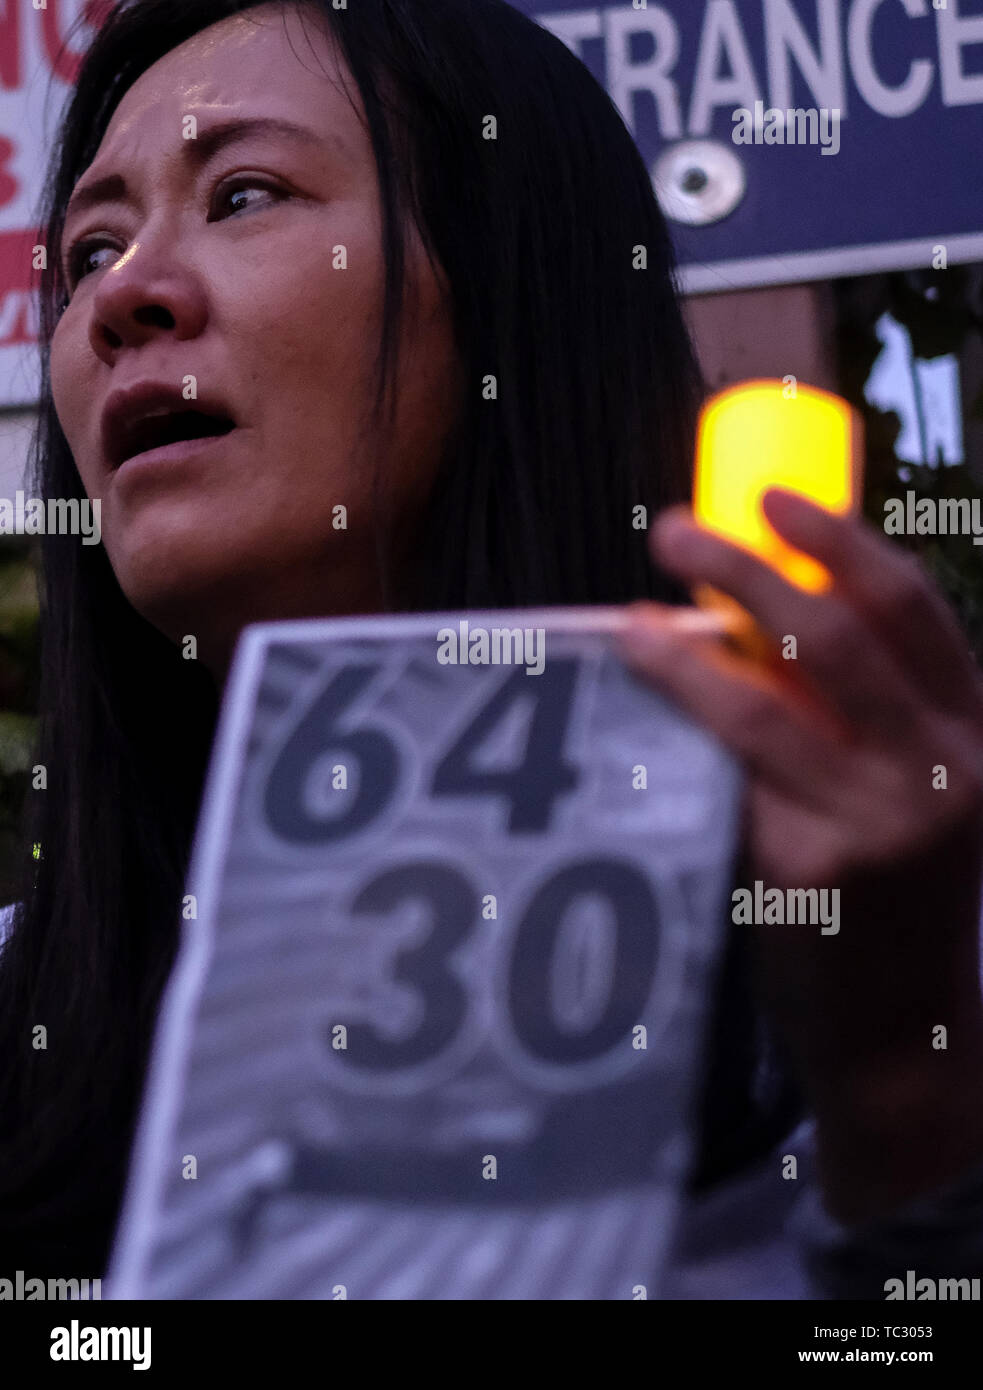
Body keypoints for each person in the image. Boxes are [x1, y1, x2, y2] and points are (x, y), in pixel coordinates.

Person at [1, 0, 981, 1297]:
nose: (124, 298)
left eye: (243, 194)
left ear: (513, 288)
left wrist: (904, 1103)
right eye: (90, 251)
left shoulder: (910, 923)